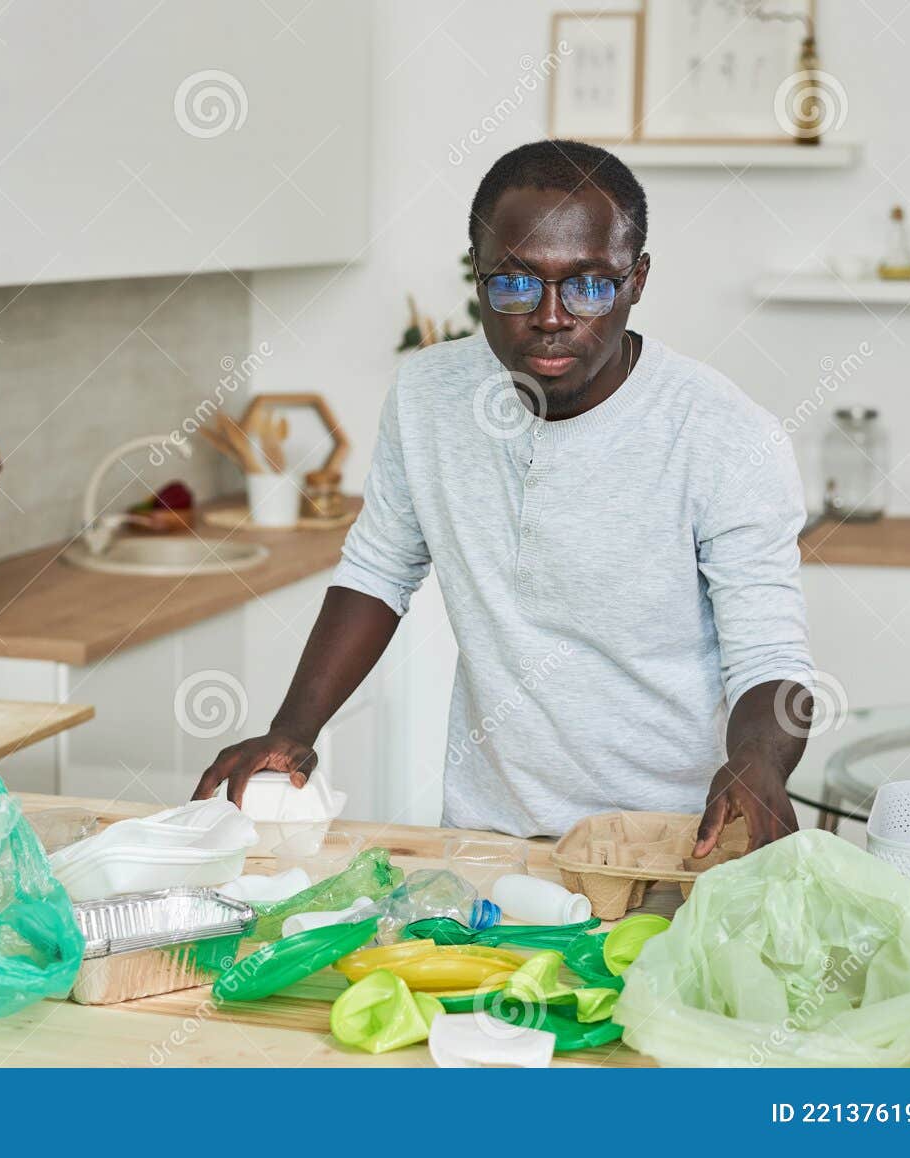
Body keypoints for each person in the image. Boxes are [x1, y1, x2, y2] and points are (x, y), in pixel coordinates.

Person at [194, 139, 814, 856]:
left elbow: (769, 653)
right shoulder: (429, 396)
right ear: (478, 276)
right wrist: (293, 729)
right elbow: (379, 570)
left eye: (588, 285)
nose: (551, 317)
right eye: (516, 285)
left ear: (637, 280)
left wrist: (760, 761)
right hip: (492, 836)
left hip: (679, 840)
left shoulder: (725, 435)